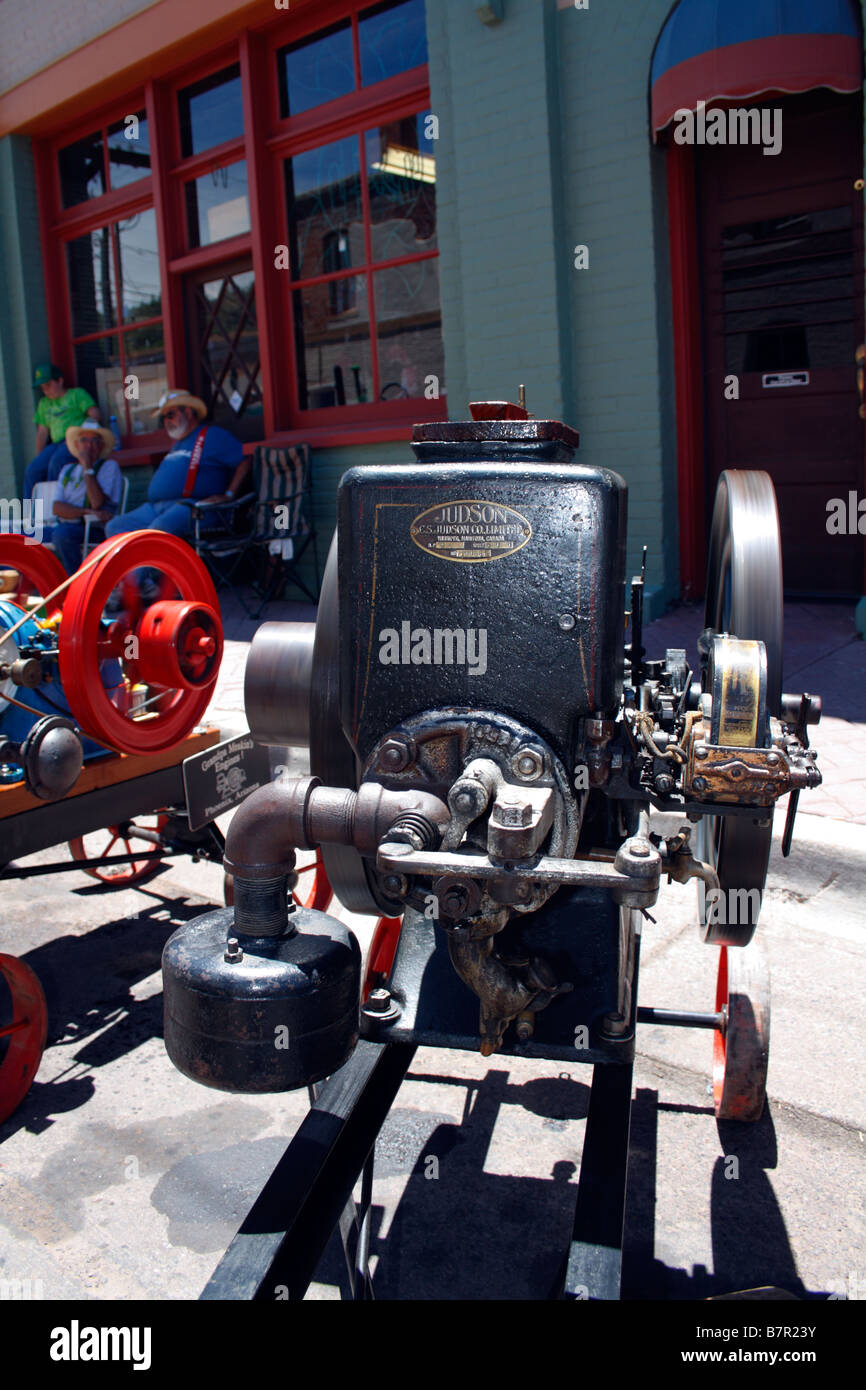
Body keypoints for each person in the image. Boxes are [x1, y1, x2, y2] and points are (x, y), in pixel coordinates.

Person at [104, 389, 247, 542]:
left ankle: (151, 566)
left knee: (157, 532)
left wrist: (229, 495)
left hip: (194, 508)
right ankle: (137, 566)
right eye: (163, 418)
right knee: (115, 527)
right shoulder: (178, 443)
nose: (166, 421)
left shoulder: (212, 435)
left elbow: (245, 460)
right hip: (155, 508)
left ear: (188, 412)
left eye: (170, 415)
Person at [51, 420, 123, 573]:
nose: (88, 445)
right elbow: (56, 507)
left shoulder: (109, 467)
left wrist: (88, 469)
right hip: (67, 524)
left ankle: (75, 584)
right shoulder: (67, 469)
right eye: (84, 440)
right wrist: (86, 512)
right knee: (23, 538)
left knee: (62, 534)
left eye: (94, 440)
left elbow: (97, 503)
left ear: (101, 446)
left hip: (95, 528)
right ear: (76, 445)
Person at [24, 364, 101, 501]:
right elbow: (42, 432)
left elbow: (94, 414)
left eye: (48, 384)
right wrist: (39, 457)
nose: (45, 390)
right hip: (56, 443)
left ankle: (53, 507)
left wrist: (84, 438)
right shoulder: (44, 403)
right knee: (32, 470)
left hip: (76, 440)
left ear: (60, 381)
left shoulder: (76, 394)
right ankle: (31, 514)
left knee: (57, 462)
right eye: (42, 387)